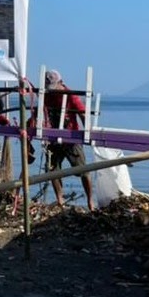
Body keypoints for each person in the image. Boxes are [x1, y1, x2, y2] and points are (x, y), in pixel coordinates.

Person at [40, 70, 94, 211]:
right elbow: (39, 113)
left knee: (83, 170)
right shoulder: (46, 95)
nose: (50, 90)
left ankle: (90, 201)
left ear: (60, 83)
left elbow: (82, 114)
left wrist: (87, 132)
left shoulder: (71, 96)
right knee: (52, 168)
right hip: (53, 137)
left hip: (71, 137)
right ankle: (60, 199)